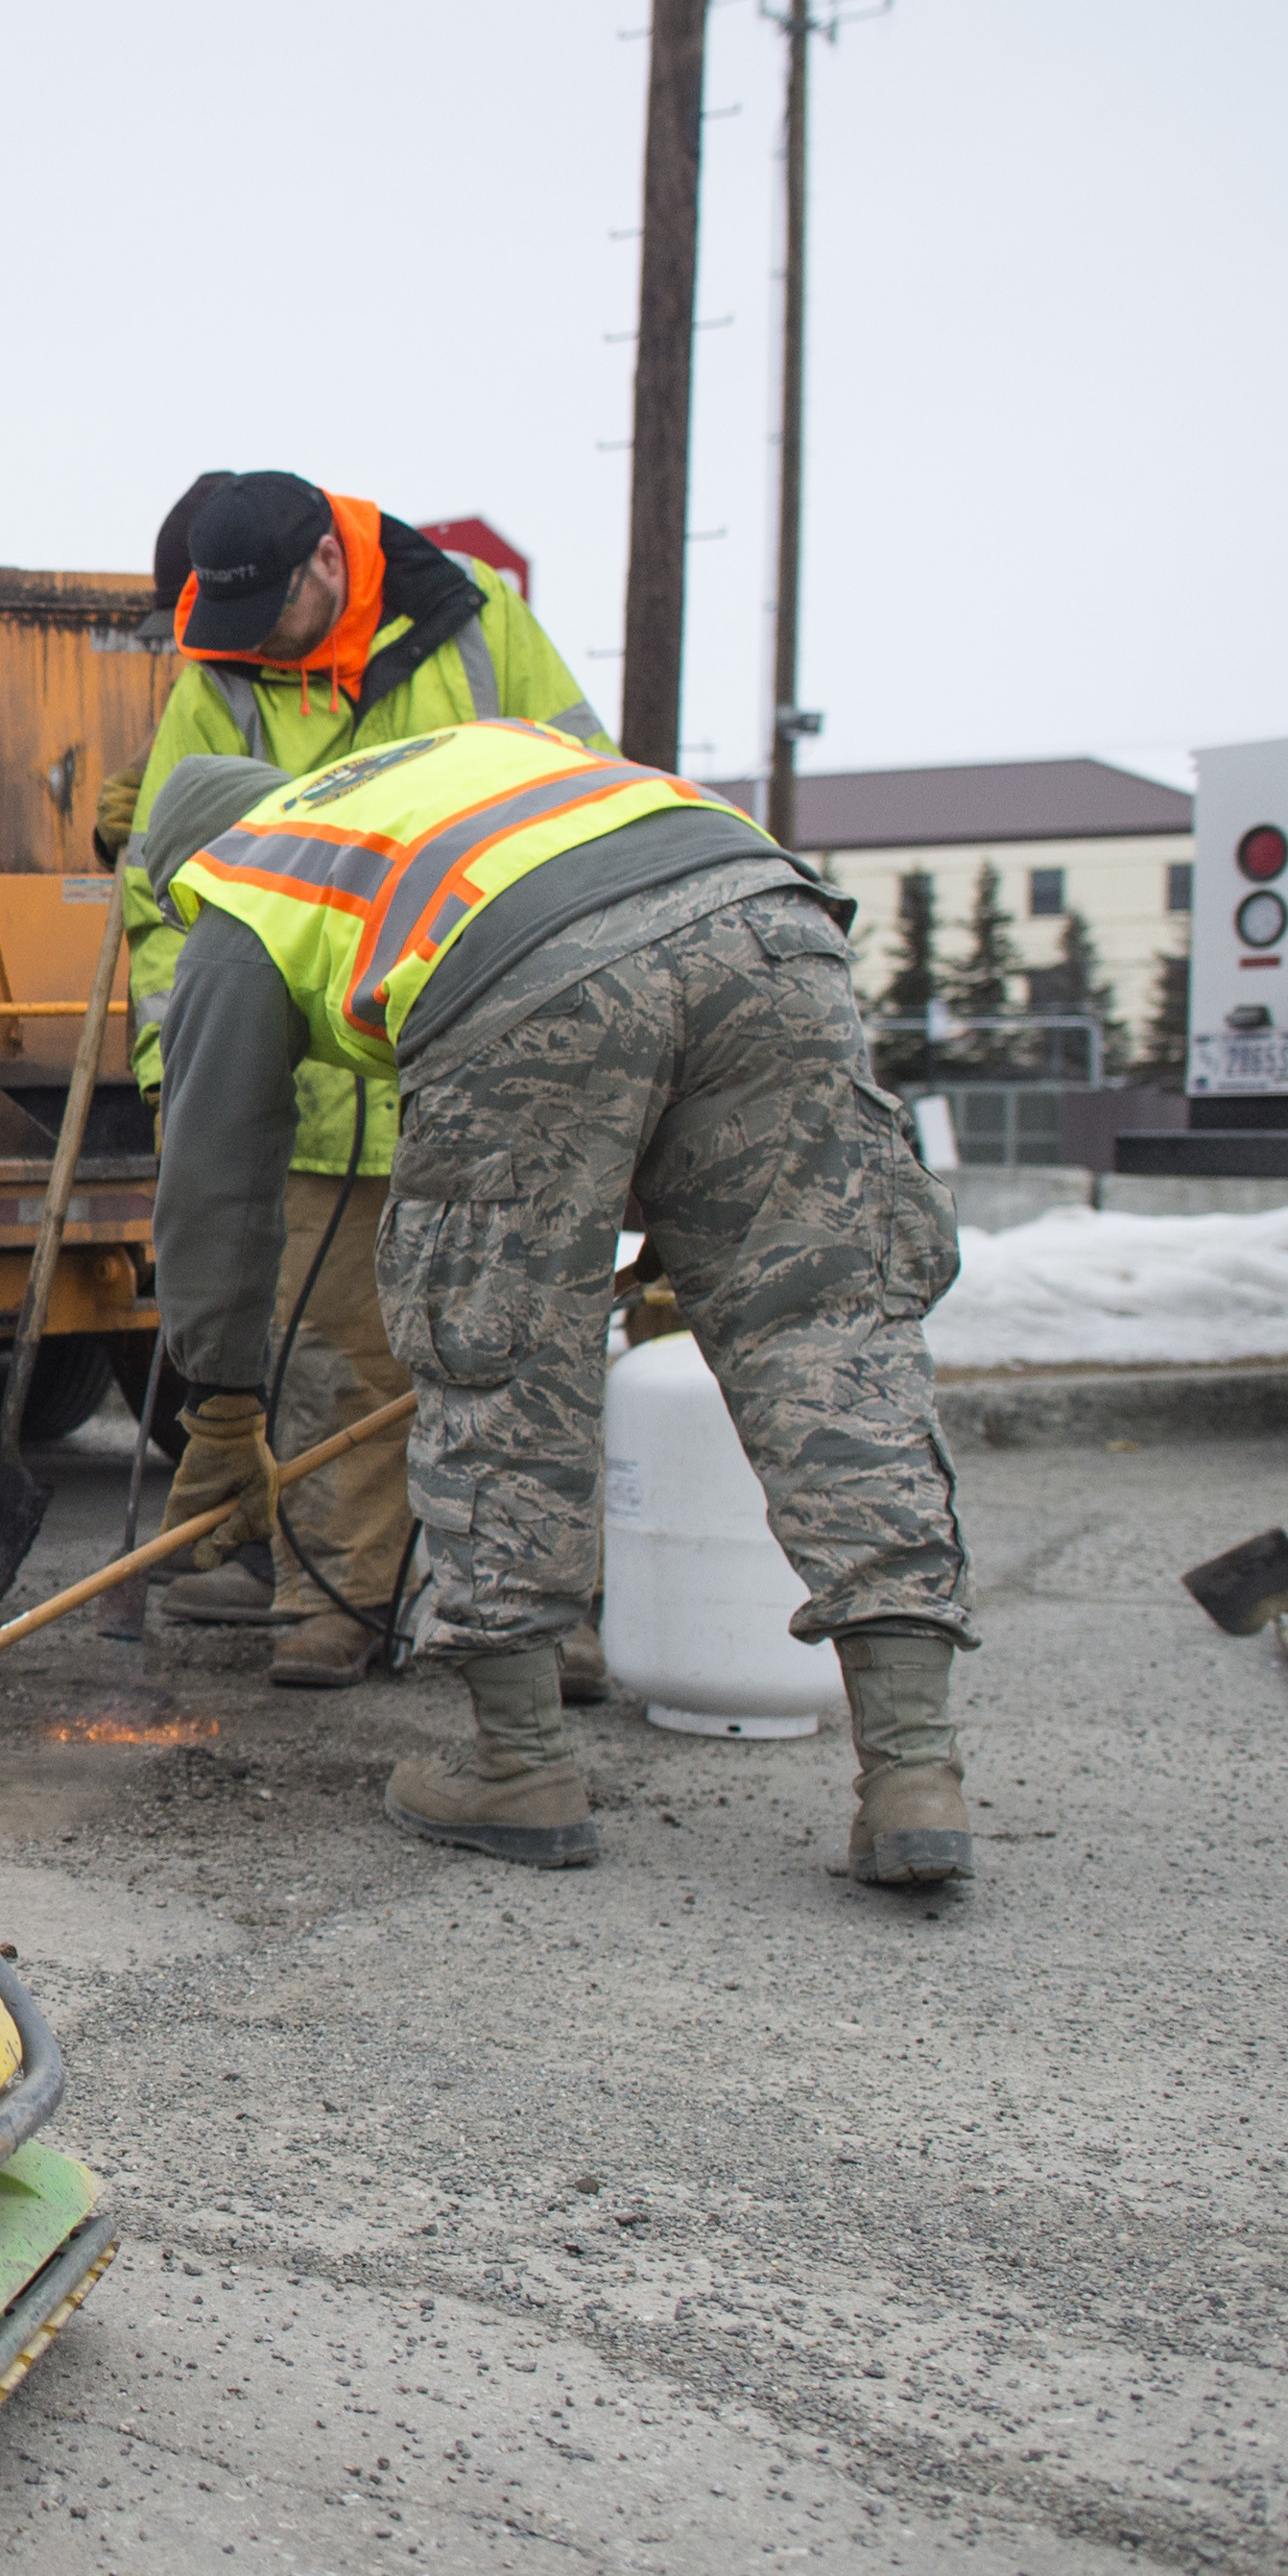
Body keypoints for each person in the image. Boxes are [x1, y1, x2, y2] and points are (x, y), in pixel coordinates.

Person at [131, 724, 976, 1886]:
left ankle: (518, 1766)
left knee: (498, 1352)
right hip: (768, 917)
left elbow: (215, 1174)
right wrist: (695, 1203)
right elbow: (653, 972)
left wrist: (220, 1400)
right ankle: (914, 1772)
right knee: (823, 1334)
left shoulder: (241, 884)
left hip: (536, 969)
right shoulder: (437, 777)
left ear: (182, 861)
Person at [125, 473, 621, 1694]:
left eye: (263, 620)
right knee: (332, 1361)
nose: (245, 652)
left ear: (327, 569)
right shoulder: (219, 673)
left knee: (514, 1351)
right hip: (315, 1092)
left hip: (487, 1069)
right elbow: (168, 897)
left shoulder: (482, 631)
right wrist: (171, 1066)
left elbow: (578, 806)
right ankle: (335, 1600)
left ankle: (536, 1624)